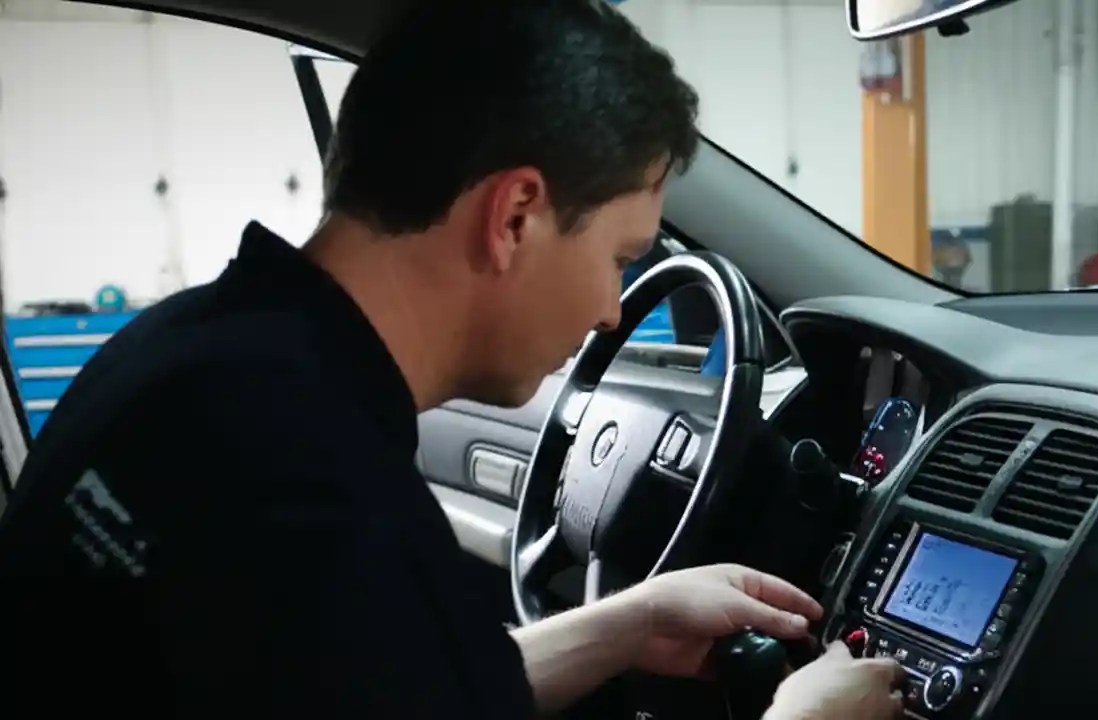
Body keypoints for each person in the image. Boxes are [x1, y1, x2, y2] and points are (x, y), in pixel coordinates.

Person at [0, 2, 905, 718]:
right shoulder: (321, 504)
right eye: (621, 260)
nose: (605, 310)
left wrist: (631, 623)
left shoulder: (187, 363)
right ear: (513, 216)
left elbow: (388, 683)